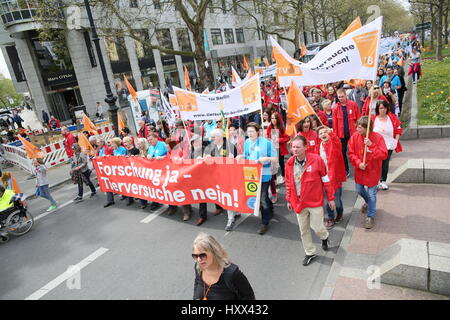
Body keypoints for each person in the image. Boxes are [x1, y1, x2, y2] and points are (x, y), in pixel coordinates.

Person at [285, 135, 335, 266]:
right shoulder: (289, 163)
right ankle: (310, 252)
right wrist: (289, 199)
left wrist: (331, 198)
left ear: (306, 147)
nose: (295, 149)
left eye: (298, 147)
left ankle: (324, 237)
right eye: (293, 147)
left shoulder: (316, 160)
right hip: (298, 203)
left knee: (317, 228)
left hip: (315, 202)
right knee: (304, 230)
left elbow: (325, 180)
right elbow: (289, 183)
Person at [348, 116, 388, 229]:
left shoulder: (378, 138)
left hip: (373, 171)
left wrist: (372, 145)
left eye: (360, 127)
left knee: (372, 194)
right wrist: (358, 162)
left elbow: (384, 154)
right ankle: (368, 203)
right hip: (360, 170)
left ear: (367, 128)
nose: (357, 129)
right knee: (359, 190)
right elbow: (351, 153)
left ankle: (370, 216)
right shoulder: (354, 137)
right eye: (357, 126)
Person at [237, 122, 277, 235]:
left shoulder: (267, 143)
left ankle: (265, 223)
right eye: (248, 131)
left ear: (258, 132)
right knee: (260, 196)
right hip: (251, 174)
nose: (249, 134)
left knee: (263, 198)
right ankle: (271, 208)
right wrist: (241, 156)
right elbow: (247, 154)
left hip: (264, 174)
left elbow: (275, 158)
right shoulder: (247, 142)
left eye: (252, 131)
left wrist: (266, 158)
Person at [192, 232, 255, 300]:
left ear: (214, 252)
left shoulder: (232, 274)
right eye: (195, 256)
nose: (198, 260)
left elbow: (249, 297)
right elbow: (196, 286)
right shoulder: (198, 267)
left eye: (202, 255)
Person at [316, 126, 346, 229]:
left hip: (335, 177)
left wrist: (332, 135)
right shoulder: (318, 146)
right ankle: (330, 217)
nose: (323, 134)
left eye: (325, 132)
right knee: (326, 200)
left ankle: (340, 212)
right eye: (320, 133)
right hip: (323, 178)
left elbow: (337, 143)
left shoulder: (334, 144)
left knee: (336, 201)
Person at [372, 100, 403, 191]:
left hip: (389, 144)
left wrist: (395, 141)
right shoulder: (373, 118)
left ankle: (383, 181)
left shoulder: (392, 117)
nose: (383, 110)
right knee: (376, 163)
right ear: (377, 109)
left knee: (385, 162)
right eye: (381, 108)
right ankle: (375, 181)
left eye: (384, 108)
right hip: (376, 145)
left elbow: (398, 129)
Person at [332, 88, 361, 177]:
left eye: (342, 96)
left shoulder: (353, 105)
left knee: (356, 151)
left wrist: (359, 131)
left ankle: (358, 167)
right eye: (339, 97)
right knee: (342, 152)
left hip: (353, 133)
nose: (340, 98)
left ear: (346, 96)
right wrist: (336, 136)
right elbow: (335, 123)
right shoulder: (335, 107)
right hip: (341, 134)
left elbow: (358, 118)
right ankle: (346, 169)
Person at [146, 133, 166, 211]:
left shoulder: (163, 144)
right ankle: (156, 202)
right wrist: (147, 156)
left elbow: (170, 154)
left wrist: (162, 157)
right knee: (155, 187)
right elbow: (149, 155)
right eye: (148, 140)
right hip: (155, 172)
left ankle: (172, 207)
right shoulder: (150, 148)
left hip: (164, 170)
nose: (150, 141)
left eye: (151, 139)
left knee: (166, 187)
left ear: (156, 138)